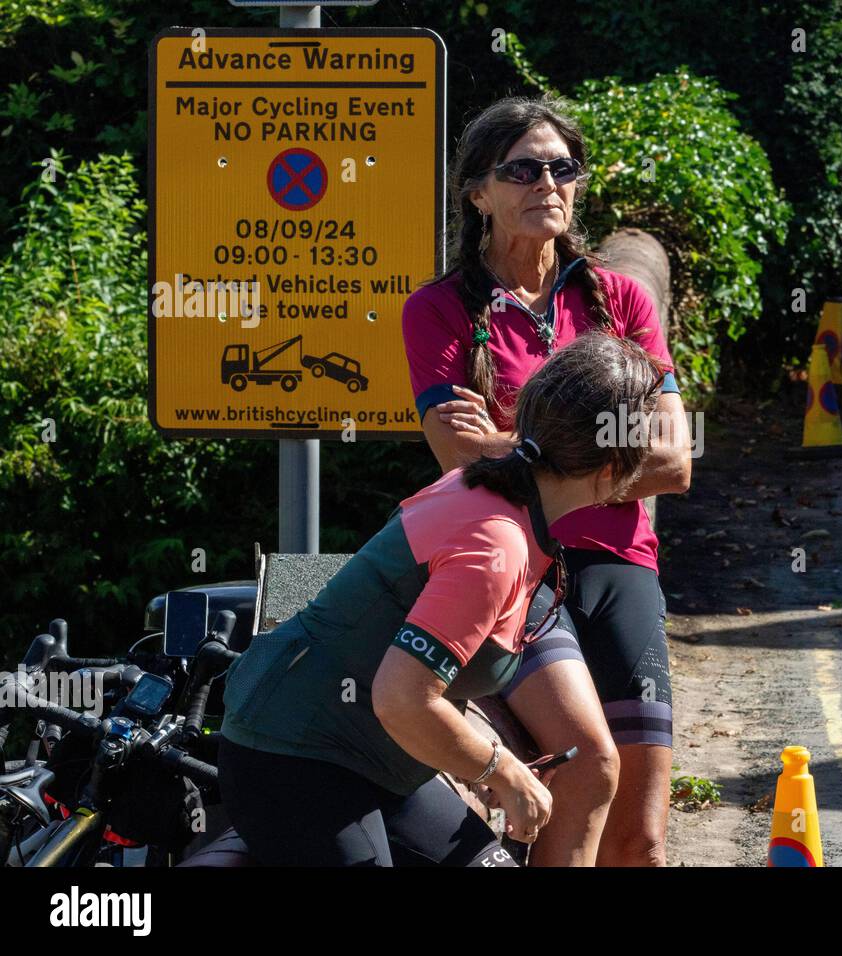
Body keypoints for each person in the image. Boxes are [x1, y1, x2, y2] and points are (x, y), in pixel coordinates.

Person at [217, 332, 665, 866]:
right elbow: (404, 697)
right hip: (290, 758)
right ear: (615, 472)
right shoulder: (496, 541)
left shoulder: (497, 494)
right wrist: (502, 770)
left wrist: (489, 759)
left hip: (377, 762)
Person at [402, 94, 693, 866]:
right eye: (523, 170)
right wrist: (612, 452)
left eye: (563, 169)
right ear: (478, 192)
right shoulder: (439, 311)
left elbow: (675, 461)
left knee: (643, 839)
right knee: (567, 786)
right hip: (513, 569)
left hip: (618, 566)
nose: (548, 184)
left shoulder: (618, 299)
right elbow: (456, 462)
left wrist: (513, 444)